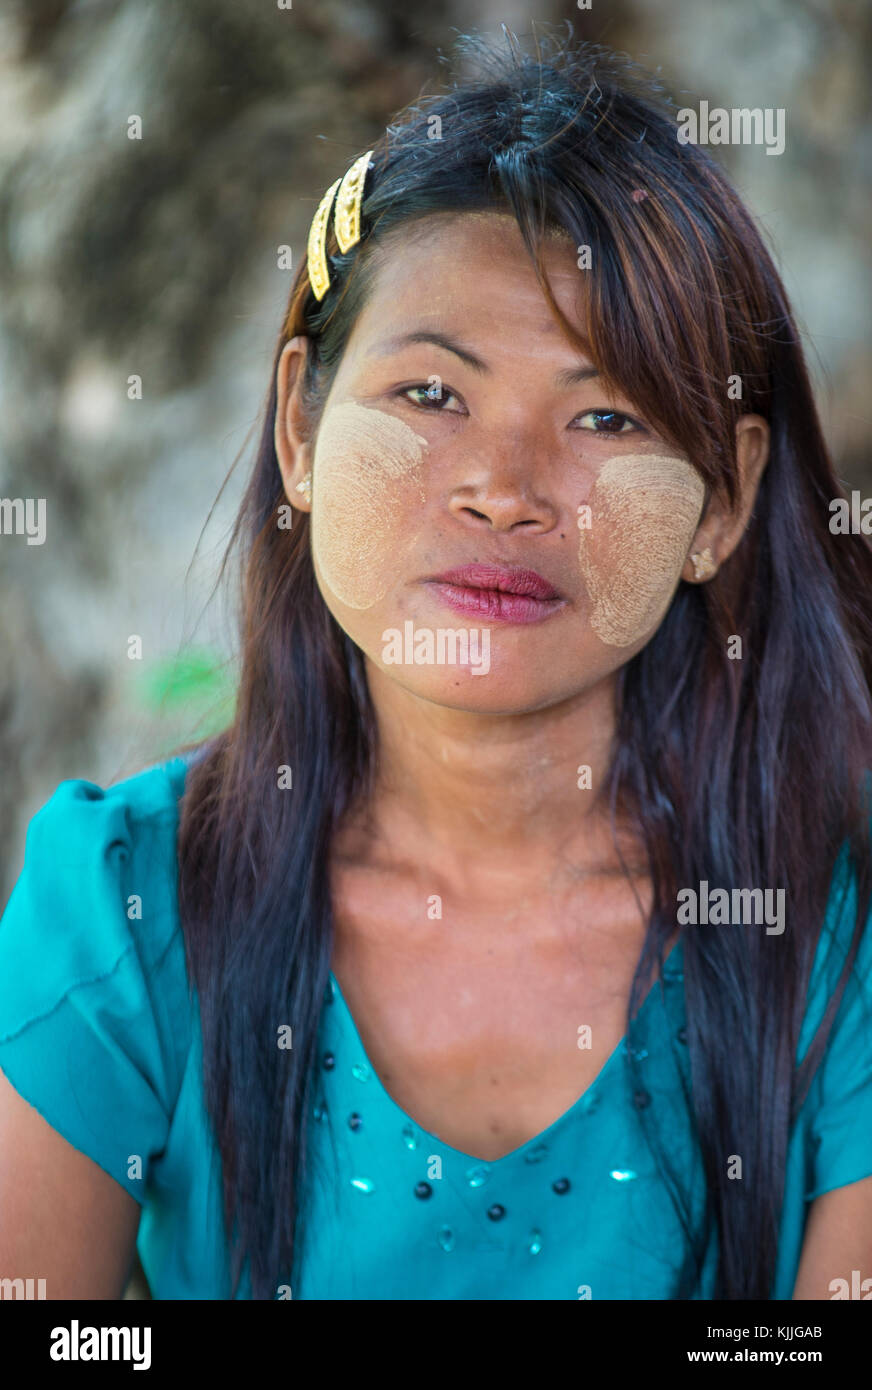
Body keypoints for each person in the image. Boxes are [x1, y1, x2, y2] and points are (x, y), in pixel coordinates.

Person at [1, 29, 871, 1302]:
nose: (502, 490)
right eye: (429, 394)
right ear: (300, 426)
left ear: (721, 500)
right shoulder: (129, 903)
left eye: (604, 416)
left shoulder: (833, 925)